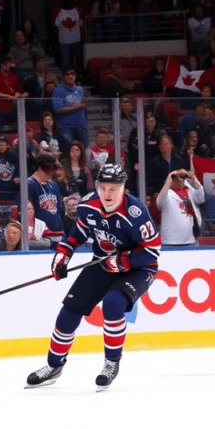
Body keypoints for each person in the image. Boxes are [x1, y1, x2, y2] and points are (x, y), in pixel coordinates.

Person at [30, 165, 160, 392]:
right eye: (103, 188)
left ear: (123, 189)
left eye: (113, 189)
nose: (108, 194)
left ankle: (111, 363)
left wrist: (122, 262)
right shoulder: (88, 204)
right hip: (103, 262)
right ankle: (53, 365)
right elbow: (80, 231)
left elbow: (152, 251)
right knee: (69, 310)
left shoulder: (135, 213)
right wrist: (63, 255)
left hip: (139, 267)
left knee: (113, 304)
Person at [156, 168, 204, 247]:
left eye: (183, 178)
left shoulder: (190, 191)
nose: (182, 180)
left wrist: (193, 179)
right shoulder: (167, 194)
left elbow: (201, 199)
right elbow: (159, 202)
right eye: (178, 178)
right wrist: (169, 177)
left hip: (189, 240)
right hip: (170, 241)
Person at [27, 154, 65, 245]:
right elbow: (28, 211)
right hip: (40, 234)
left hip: (57, 232)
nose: (52, 173)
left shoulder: (54, 185)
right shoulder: (29, 184)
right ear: (40, 168)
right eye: (50, 170)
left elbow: (59, 208)